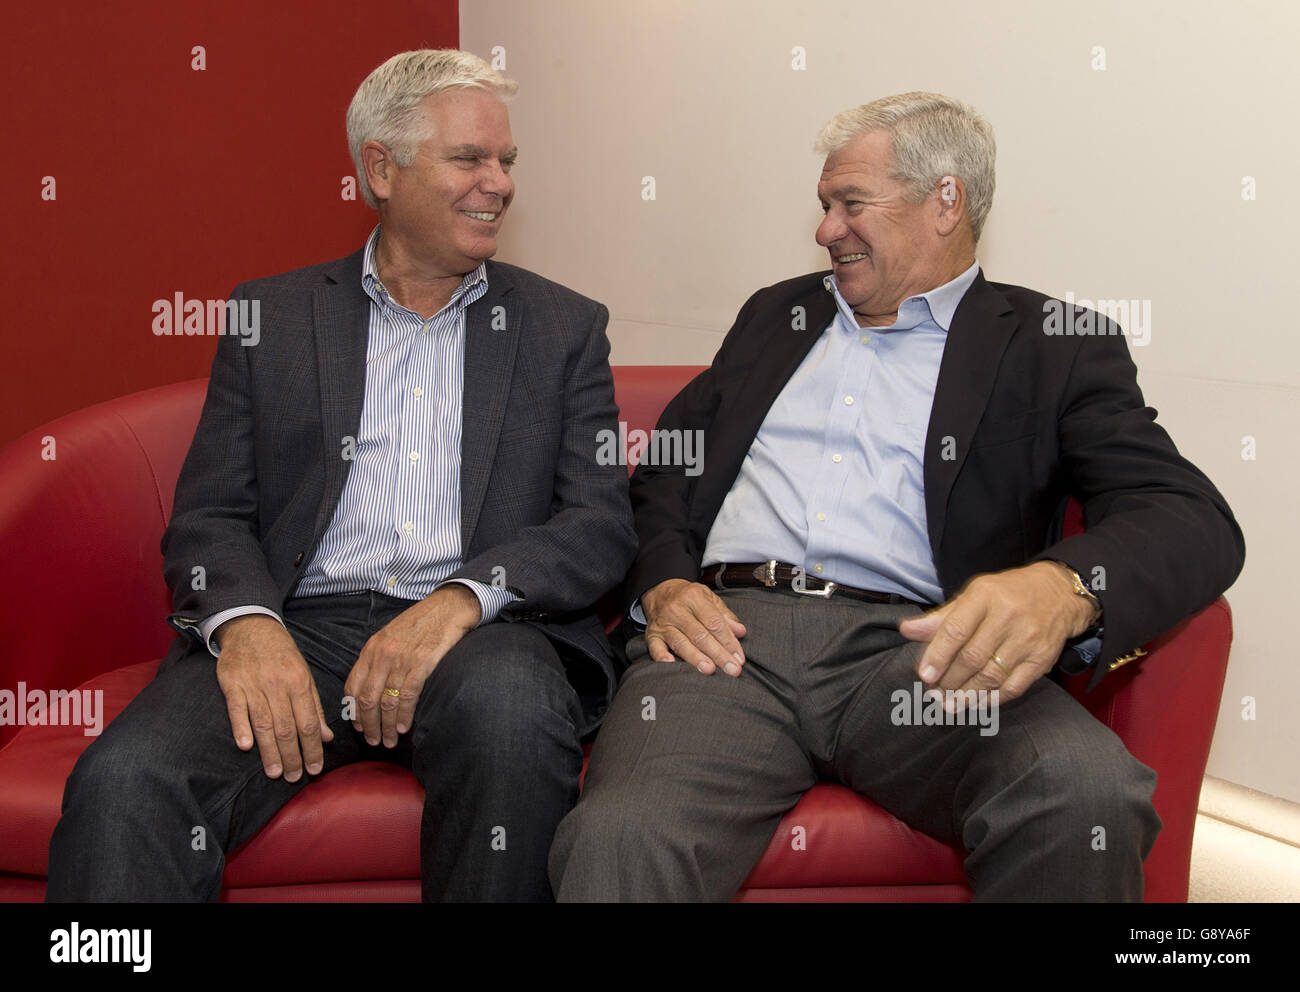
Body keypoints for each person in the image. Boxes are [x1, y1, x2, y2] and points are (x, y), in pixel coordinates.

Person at [549, 91, 1244, 902]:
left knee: (1082, 790)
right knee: (619, 839)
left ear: (944, 201)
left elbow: (1189, 515)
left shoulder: (1056, 345)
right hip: (728, 646)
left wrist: (1066, 587)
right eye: (823, 206)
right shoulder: (779, 314)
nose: (824, 230)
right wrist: (665, 583)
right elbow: (669, 466)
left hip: (926, 655)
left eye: (851, 204)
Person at [46, 49, 636, 903]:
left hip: (478, 633)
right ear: (381, 168)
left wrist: (462, 598)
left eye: (507, 161)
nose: (499, 183)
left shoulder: (562, 328)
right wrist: (246, 626)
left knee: (512, 720)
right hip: (301, 626)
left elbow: (599, 524)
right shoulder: (272, 318)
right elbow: (210, 517)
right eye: (470, 158)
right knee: (126, 782)